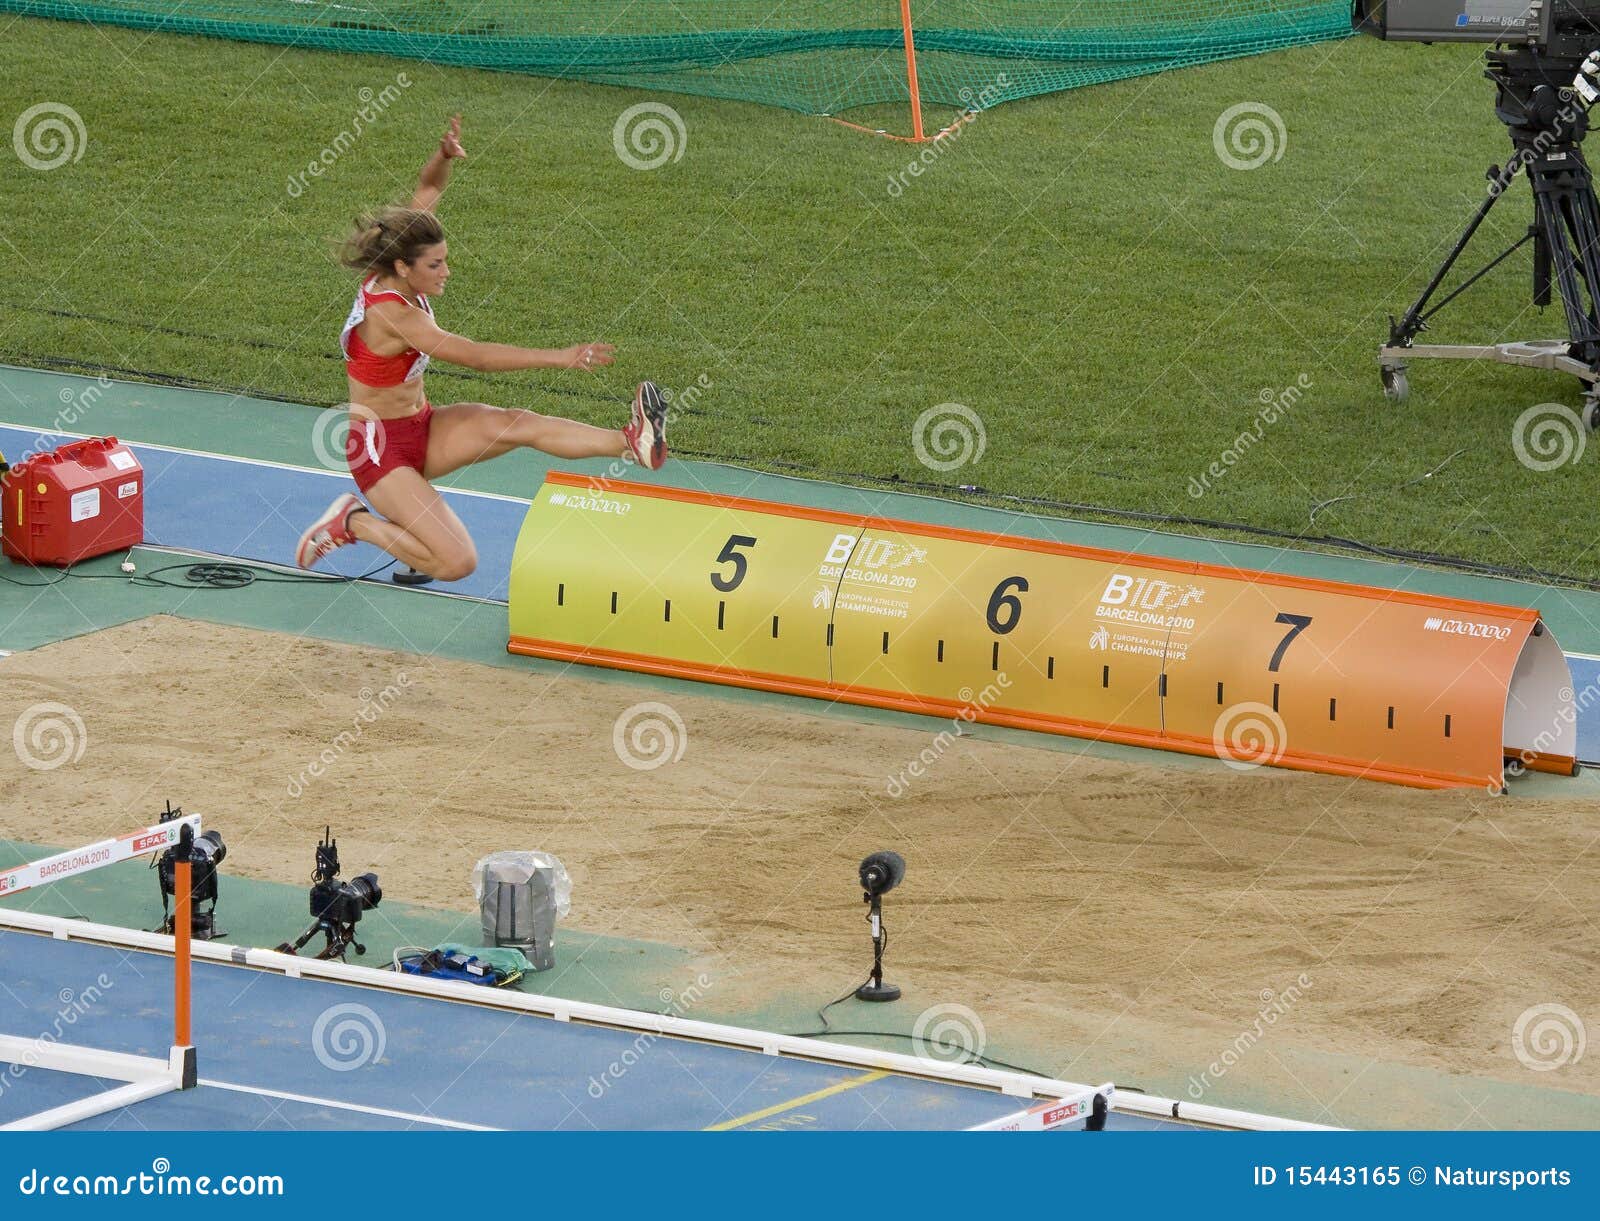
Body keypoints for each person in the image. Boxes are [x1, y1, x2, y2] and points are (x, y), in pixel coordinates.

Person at [296, 115, 666, 580]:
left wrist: (443, 157)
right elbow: (474, 356)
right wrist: (559, 356)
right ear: (404, 268)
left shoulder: (403, 260)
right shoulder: (394, 315)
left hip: (420, 426)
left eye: (445, 259)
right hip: (378, 450)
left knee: (517, 424)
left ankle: (631, 441)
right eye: (436, 264)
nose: (446, 271)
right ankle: (354, 522)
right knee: (457, 563)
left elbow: (428, 190)